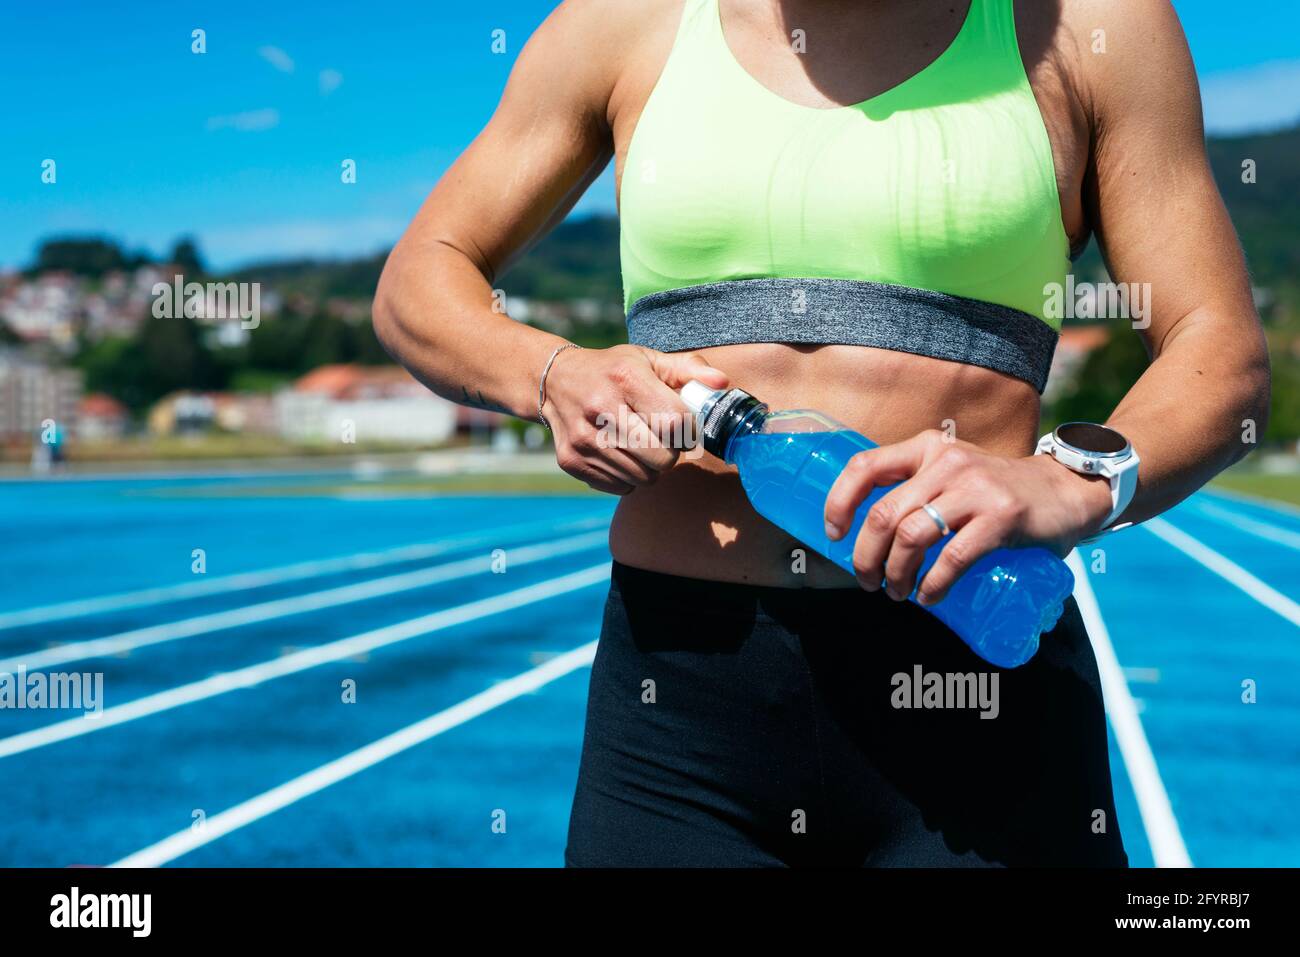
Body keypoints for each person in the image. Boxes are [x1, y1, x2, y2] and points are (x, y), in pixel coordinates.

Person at [374, 0, 1270, 866]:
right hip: (678, 715)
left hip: (980, 679)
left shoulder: (1092, 23)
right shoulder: (623, 19)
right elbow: (422, 276)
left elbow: (1222, 353)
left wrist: (1068, 480)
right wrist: (551, 372)